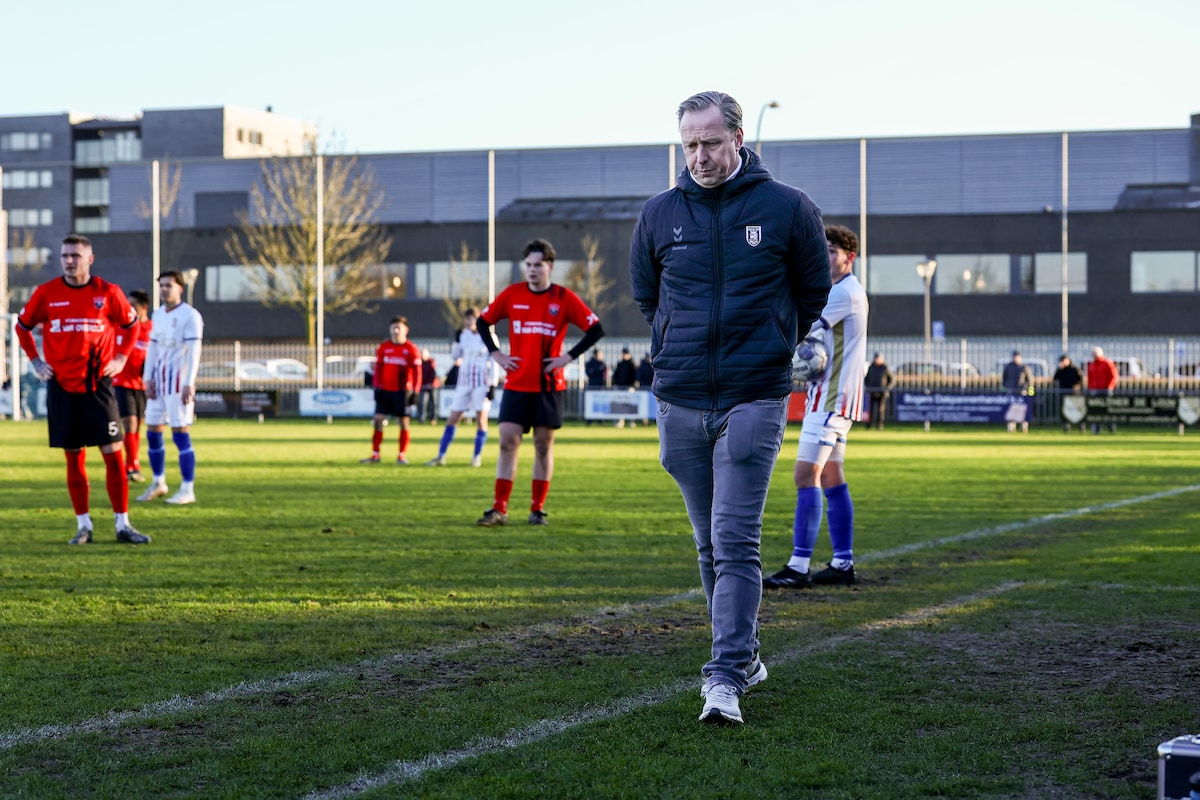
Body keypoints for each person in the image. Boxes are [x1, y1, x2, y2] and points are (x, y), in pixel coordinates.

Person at [630, 91, 831, 725]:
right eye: (689, 144)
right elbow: (646, 296)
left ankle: (723, 676)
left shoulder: (788, 208)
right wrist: (672, 350)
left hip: (754, 393)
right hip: (680, 397)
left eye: (711, 143)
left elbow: (813, 288)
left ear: (737, 139)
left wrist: (772, 344)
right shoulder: (659, 214)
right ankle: (743, 655)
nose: (700, 156)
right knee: (706, 544)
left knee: (734, 537)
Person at [14, 234, 150, 544]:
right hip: (62, 387)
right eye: (64, 255)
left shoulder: (108, 292)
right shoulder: (46, 294)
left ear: (90, 259)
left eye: (75, 255)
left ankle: (123, 525)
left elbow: (132, 326)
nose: (69, 260)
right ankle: (84, 526)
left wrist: (121, 357)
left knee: (113, 455)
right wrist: (36, 362)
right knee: (73, 457)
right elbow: (21, 327)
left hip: (98, 388)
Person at [763, 224, 868, 592]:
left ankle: (798, 565)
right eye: (821, 250)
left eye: (832, 251)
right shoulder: (845, 291)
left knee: (804, 474)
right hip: (832, 398)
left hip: (830, 399)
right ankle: (842, 562)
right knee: (830, 477)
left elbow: (801, 320)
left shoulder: (845, 293)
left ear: (849, 257)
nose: (825, 257)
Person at [475, 238, 605, 526]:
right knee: (508, 442)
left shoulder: (563, 297)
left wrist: (567, 357)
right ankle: (499, 508)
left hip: (549, 386)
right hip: (517, 383)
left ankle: (537, 509)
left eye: (538, 265)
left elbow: (595, 329)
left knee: (543, 446)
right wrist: (496, 353)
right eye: (529, 265)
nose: (532, 270)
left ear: (550, 266)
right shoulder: (512, 294)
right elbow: (484, 322)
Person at [136, 271, 205, 505]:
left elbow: (194, 352)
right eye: (161, 286)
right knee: (152, 432)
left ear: (180, 289)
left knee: (180, 434)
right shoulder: (158, 314)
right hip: (158, 383)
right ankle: (159, 482)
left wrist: (189, 382)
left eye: (168, 285)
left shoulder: (191, 316)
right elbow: (152, 350)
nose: (164, 289)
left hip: (178, 384)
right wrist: (147, 378)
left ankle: (187, 488)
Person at [426, 307, 498, 468]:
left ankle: (476, 457)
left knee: (481, 419)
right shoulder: (463, 335)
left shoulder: (489, 336)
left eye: (471, 319)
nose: (467, 322)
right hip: (464, 383)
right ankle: (441, 455)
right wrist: (456, 342)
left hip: (481, 383)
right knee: (453, 418)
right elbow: (455, 357)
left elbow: (494, 361)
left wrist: (493, 385)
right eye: (466, 319)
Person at [361, 316, 422, 464]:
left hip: (402, 392)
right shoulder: (383, 348)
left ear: (405, 330)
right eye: (393, 327)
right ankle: (375, 454)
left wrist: (415, 391)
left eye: (398, 328)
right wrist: (376, 386)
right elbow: (378, 369)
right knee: (377, 420)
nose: (395, 331)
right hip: (384, 391)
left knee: (403, 422)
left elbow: (417, 373)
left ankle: (401, 455)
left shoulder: (411, 349)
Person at [114, 289, 151, 482]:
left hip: (143, 385)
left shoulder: (152, 329)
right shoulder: (121, 326)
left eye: (133, 306)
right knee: (130, 423)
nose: (129, 309)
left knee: (138, 426)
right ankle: (132, 465)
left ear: (143, 308)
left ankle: (131, 463)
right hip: (121, 382)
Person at [1086, 346, 1119, 434]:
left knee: (1108, 410)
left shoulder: (1108, 363)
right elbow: (1090, 378)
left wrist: (1110, 387)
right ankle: (1096, 429)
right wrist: (1090, 388)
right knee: (1096, 411)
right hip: (1094, 391)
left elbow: (1114, 377)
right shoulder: (1092, 365)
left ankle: (1111, 428)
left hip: (1105, 390)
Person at [1001, 350, 1033, 433]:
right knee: (1011, 409)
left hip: (1022, 391)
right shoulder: (1009, 367)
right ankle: (1011, 428)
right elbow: (1004, 379)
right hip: (1011, 391)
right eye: (1014, 357)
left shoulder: (1024, 367)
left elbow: (1030, 380)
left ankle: (1024, 427)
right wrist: (1004, 389)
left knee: (1022, 410)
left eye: (1017, 357)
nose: (1016, 359)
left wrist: (1030, 391)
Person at [863, 352, 894, 430]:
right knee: (871, 410)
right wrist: (868, 386)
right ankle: (869, 425)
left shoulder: (885, 367)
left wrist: (887, 388)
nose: (877, 360)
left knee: (881, 410)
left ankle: (880, 425)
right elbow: (866, 379)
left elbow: (892, 379)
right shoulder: (871, 367)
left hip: (882, 393)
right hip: (872, 392)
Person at [1053, 354, 1084, 433]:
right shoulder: (1061, 370)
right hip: (1064, 393)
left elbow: (1081, 379)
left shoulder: (1075, 369)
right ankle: (1066, 427)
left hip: (1074, 393)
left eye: (1064, 361)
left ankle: (1081, 427)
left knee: (1078, 410)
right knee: (1065, 411)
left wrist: (1077, 386)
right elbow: (1055, 378)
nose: (1063, 362)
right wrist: (1060, 369)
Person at [611, 347, 639, 427]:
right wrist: (616, 384)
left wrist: (633, 386)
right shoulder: (619, 364)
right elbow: (615, 376)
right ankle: (620, 421)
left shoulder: (632, 365)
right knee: (619, 405)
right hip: (620, 387)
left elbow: (635, 376)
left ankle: (631, 422)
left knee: (631, 405)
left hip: (629, 387)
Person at [418, 349, 439, 425]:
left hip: (433, 386)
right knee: (422, 403)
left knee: (434, 403)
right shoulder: (419, 363)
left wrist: (430, 383)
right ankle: (421, 419)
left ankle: (433, 419)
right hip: (423, 386)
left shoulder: (431, 362)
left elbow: (433, 374)